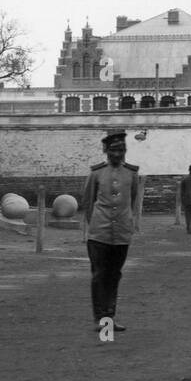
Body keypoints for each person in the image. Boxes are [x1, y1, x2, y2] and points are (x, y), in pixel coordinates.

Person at [81, 130, 142, 332]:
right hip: (99, 233)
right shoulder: (96, 173)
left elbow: (132, 200)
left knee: (114, 275)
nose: (118, 154)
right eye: (114, 150)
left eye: (122, 150)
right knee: (99, 275)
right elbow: (88, 202)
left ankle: (110, 316)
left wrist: (128, 222)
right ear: (106, 151)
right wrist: (95, 224)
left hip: (122, 233)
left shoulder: (131, 174)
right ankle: (101, 319)